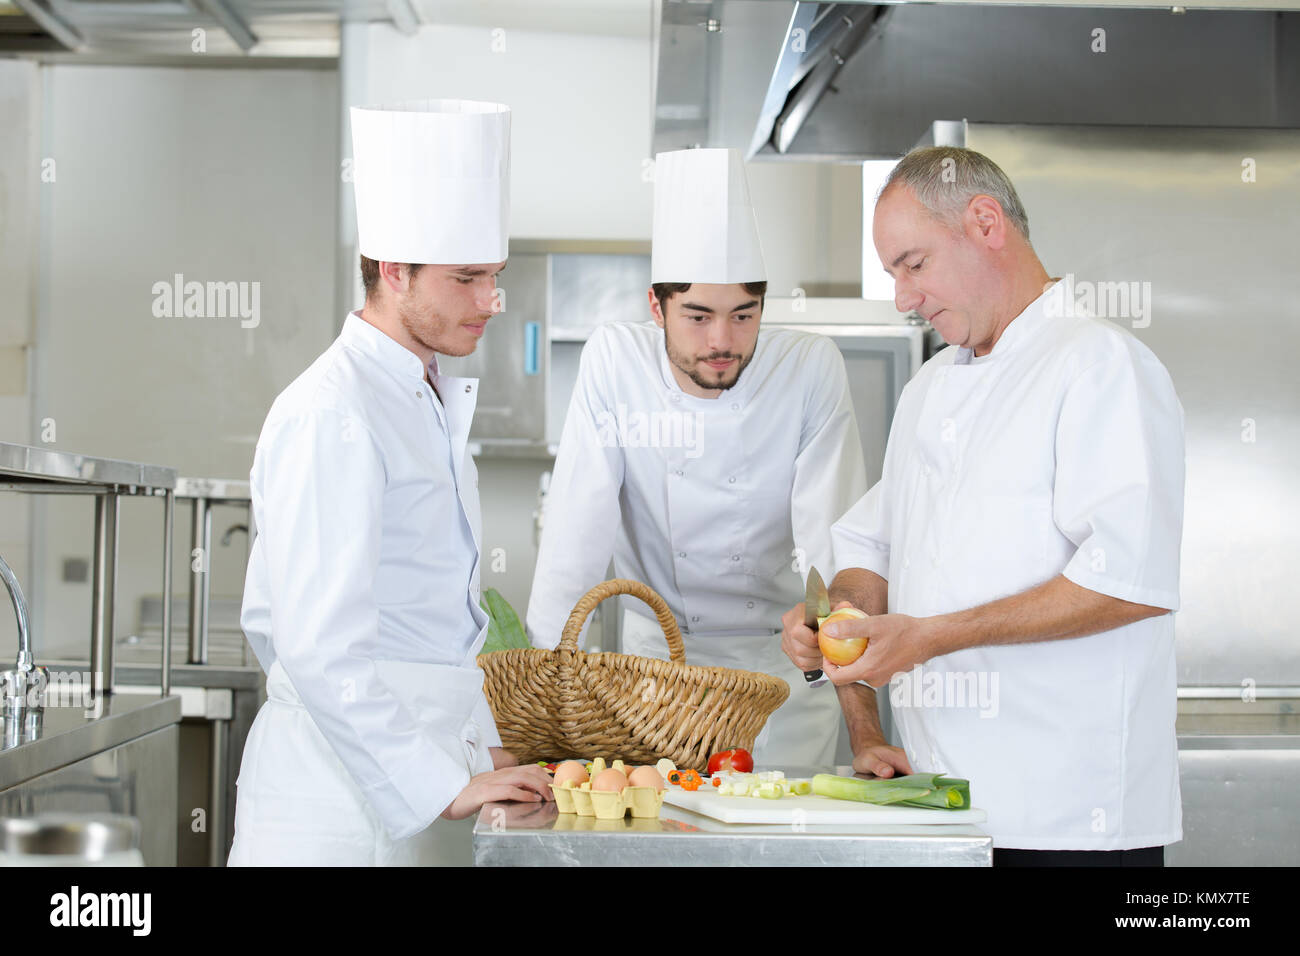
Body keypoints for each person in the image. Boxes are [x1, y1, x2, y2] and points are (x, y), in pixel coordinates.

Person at [782, 146, 1185, 865]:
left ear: (986, 222)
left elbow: (1128, 581)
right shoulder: (930, 388)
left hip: (1068, 820)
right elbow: (871, 551)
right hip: (943, 808)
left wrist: (932, 635)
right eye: (894, 274)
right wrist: (836, 618)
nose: (905, 297)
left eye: (914, 264)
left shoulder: (1098, 363)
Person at [229, 99, 551, 867]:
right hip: (336, 814)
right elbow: (314, 645)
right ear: (395, 270)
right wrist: (441, 780)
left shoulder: (423, 394)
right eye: (467, 279)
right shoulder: (330, 411)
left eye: (495, 278)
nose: (490, 303)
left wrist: (476, 754)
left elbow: (431, 625)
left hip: (414, 786)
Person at [527, 148, 868, 768]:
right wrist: (540, 727)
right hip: (655, 679)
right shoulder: (615, 363)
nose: (722, 342)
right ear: (656, 308)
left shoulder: (809, 368)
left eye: (744, 315)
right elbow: (573, 543)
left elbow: (836, 547)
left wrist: (861, 713)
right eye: (698, 316)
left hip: (782, 677)